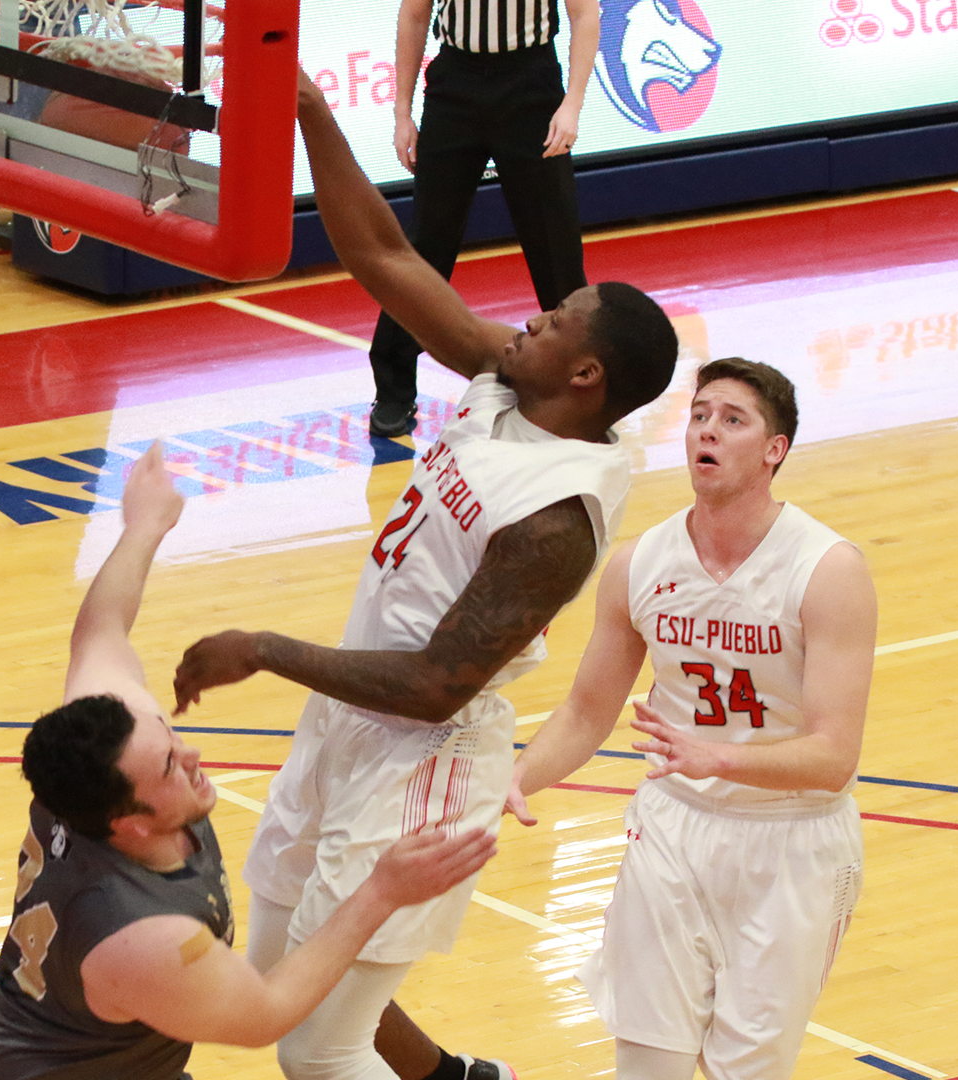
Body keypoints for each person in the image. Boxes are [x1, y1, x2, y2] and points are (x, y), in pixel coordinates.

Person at [167, 72, 678, 1080]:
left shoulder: (555, 519)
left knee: (317, 1051)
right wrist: (310, 111)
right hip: (352, 716)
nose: (532, 319)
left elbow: (439, 682)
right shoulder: (507, 380)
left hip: (427, 757)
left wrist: (263, 647)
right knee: (269, 984)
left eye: (557, 320)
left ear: (587, 378)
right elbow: (384, 256)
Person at [0, 444, 499, 1080]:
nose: (191, 755)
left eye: (169, 737)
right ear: (132, 824)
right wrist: (381, 890)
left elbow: (100, 632)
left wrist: (145, 526)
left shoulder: (95, 765)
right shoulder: (141, 933)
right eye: (169, 768)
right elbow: (266, 1015)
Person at [504, 358, 875, 1080]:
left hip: (792, 842)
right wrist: (519, 776)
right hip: (672, 830)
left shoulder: (828, 570)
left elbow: (834, 756)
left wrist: (722, 758)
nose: (708, 430)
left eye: (733, 420)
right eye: (700, 415)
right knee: (648, 1066)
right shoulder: (639, 563)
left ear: (774, 450)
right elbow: (585, 711)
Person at [365, 0, 597, 438]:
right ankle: (393, 389)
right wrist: (402, 112)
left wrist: (573, 103)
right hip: (455, 83)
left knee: (556, 246)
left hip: (531, 83)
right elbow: (414, 15)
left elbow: (585, 13)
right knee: (425, 245)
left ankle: (579, 385)